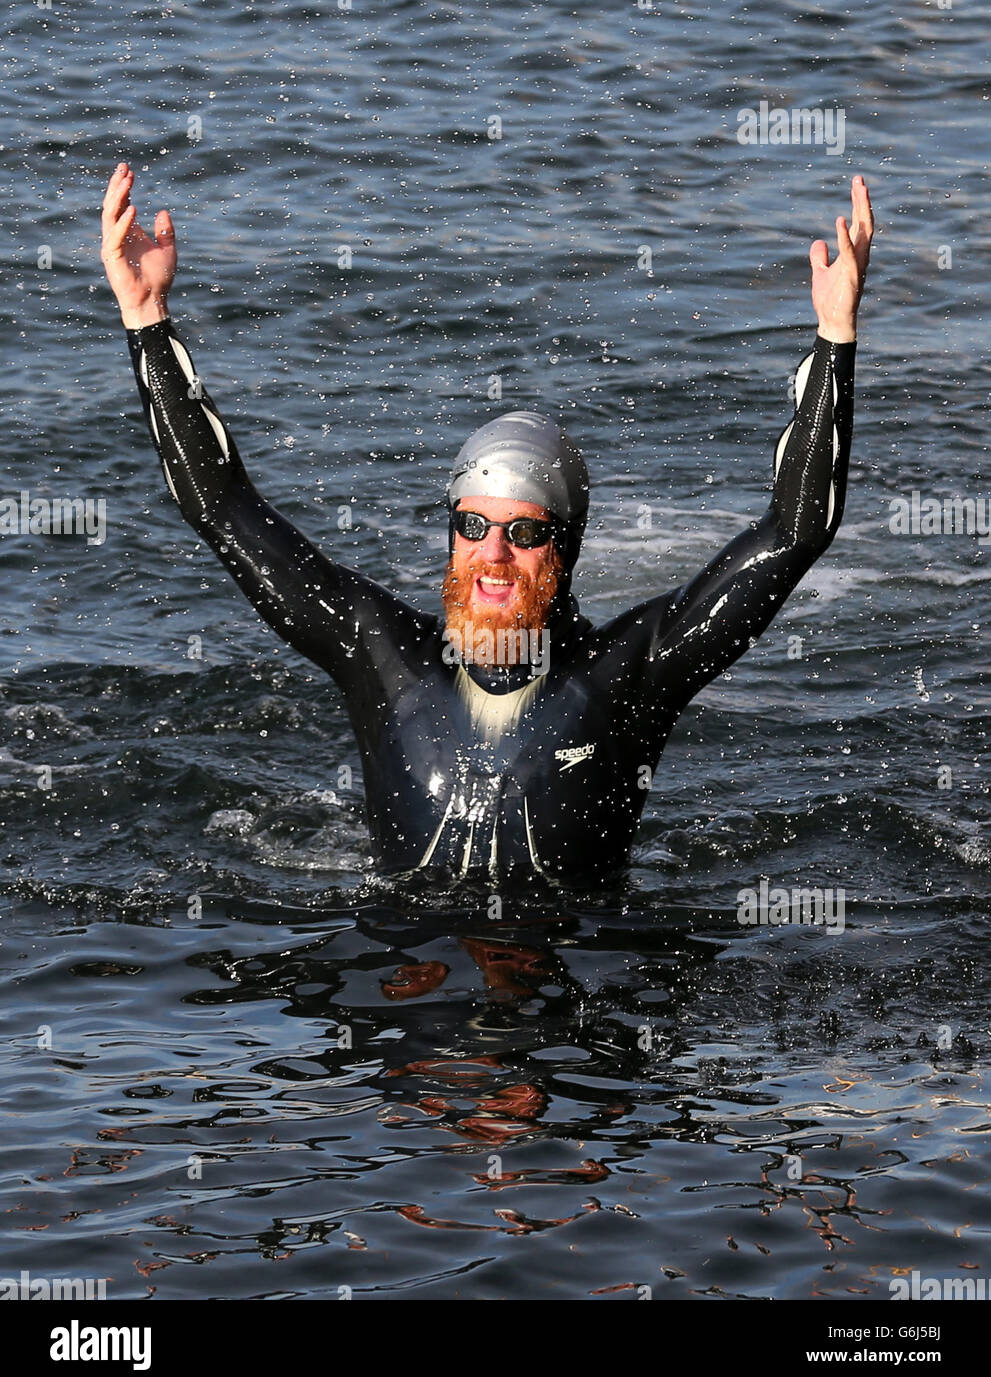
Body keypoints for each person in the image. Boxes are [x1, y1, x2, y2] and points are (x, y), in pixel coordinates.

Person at [101, 166, 873, 884]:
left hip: (565, 984)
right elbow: (221, 506)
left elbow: (794, 531)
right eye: (472, 527)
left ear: (565, 550)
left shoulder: (625, 678)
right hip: (409, 979)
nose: (492, 554)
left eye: (525, 533)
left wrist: (833, 338)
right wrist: (147, 319)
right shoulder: (379, 656)